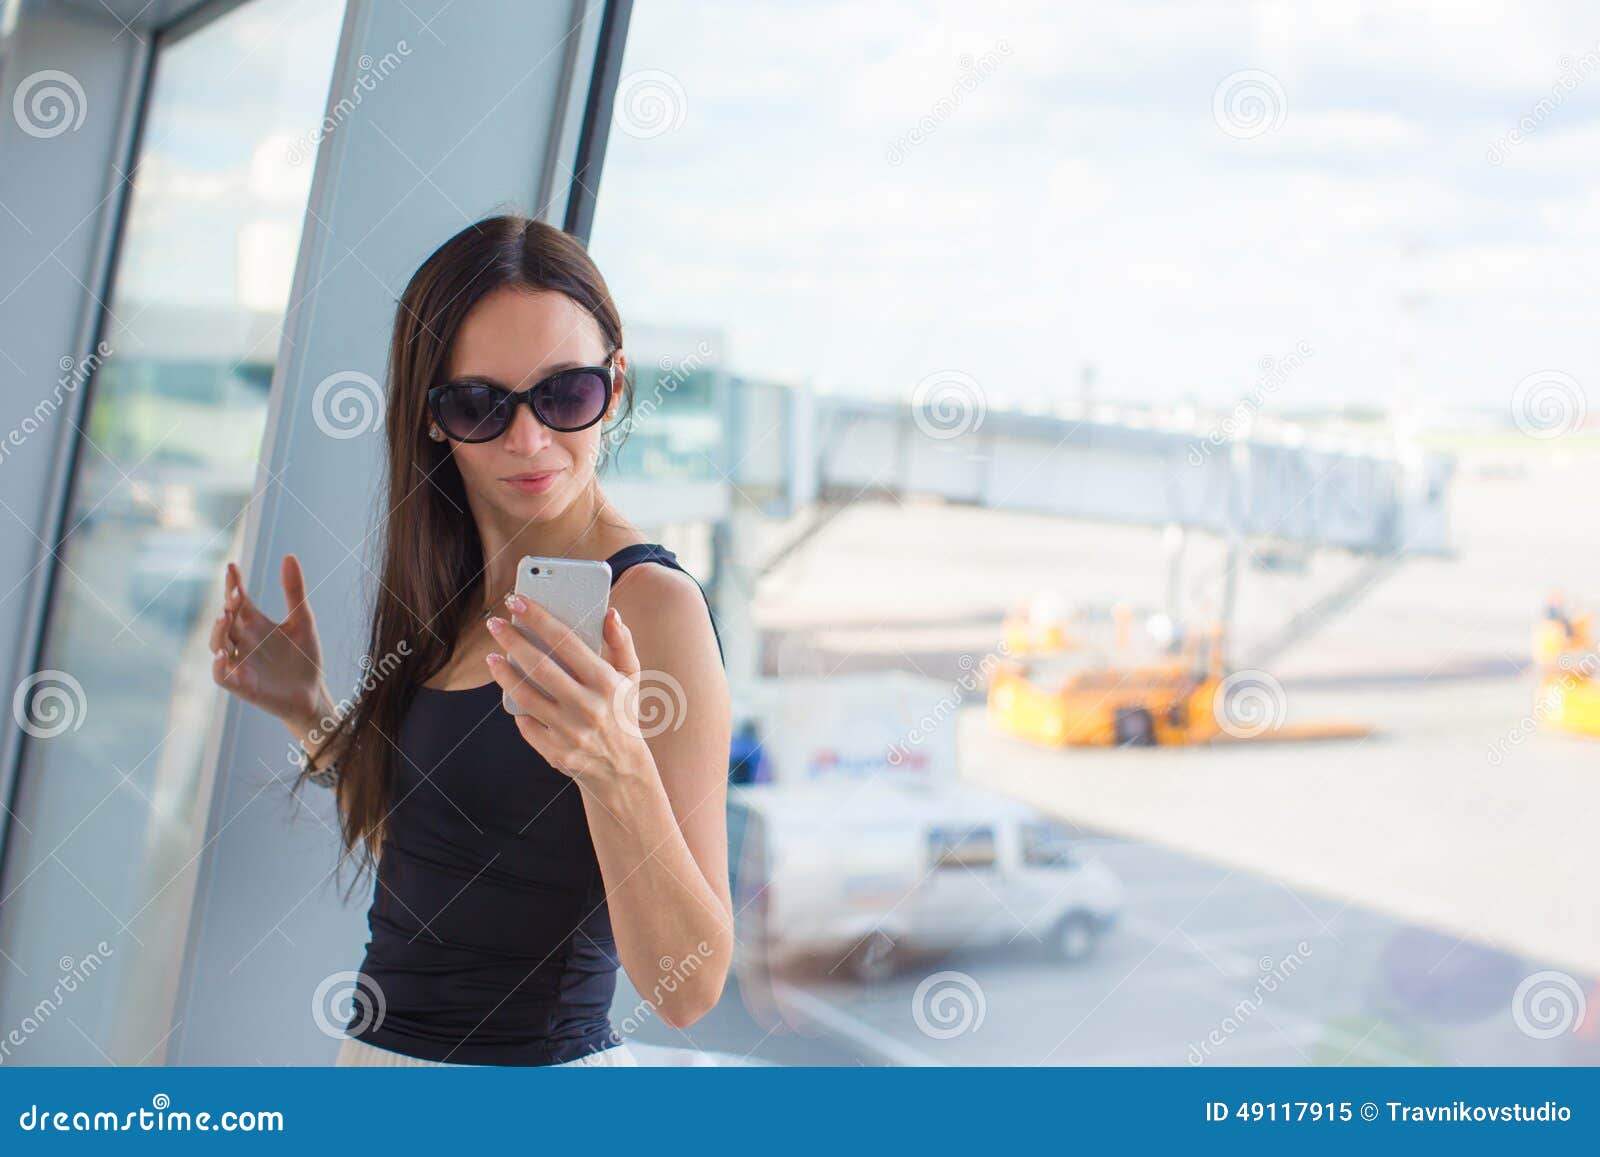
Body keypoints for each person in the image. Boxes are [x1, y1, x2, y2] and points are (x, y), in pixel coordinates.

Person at [208, 215, 732, 1066]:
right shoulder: (450, 593)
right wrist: (309, 709)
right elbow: (438, 856)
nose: (529, 440)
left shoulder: (654, 607)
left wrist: (615, 764)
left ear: (617, 385)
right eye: (480, 404)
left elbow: (688, 989)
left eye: (565, 394)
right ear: (432, 419)